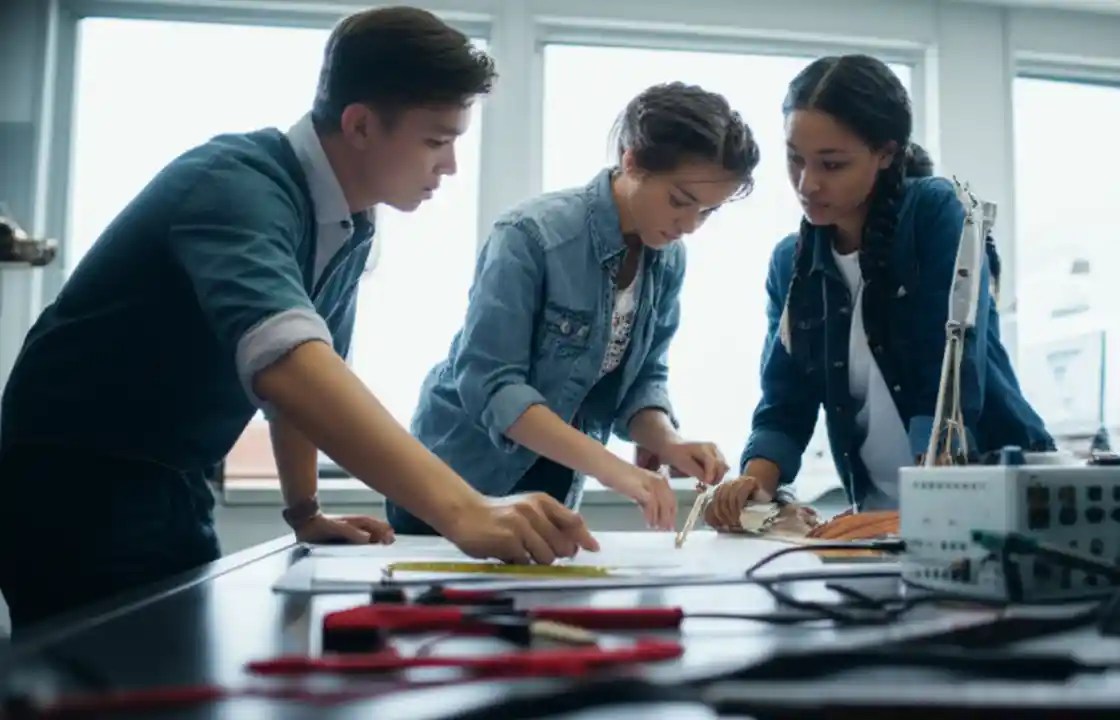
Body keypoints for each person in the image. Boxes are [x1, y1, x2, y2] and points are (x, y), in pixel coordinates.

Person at [0, 6, 597, 633]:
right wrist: (465, 509)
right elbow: (287, 365)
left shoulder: (349, 224)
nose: (448, 165)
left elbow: (307, 383)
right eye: (436, 140)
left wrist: (304, 509)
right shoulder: (233, 184)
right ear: (362, 125)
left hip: (172, 481)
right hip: (72, 480)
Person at [389, 82, 760, 535]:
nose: (690, 226)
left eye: (707, 211)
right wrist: (613, 469)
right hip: (454, 480)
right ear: (632, 161)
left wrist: (669, 442)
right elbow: (491, 385)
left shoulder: (667, 257)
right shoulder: (531, 235)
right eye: (680, 201)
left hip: (555, 482)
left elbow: (642, 380)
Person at [704, 55, 1053, 533]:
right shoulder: (791, 263)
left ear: (886, 153)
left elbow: (947, 384)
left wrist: (914, 519)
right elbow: (785, 399)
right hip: (883, 515)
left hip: (993, 503)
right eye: (794, 159)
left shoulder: (933, 213)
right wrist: (750, 487)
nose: (807, 184)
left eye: (832, 163)